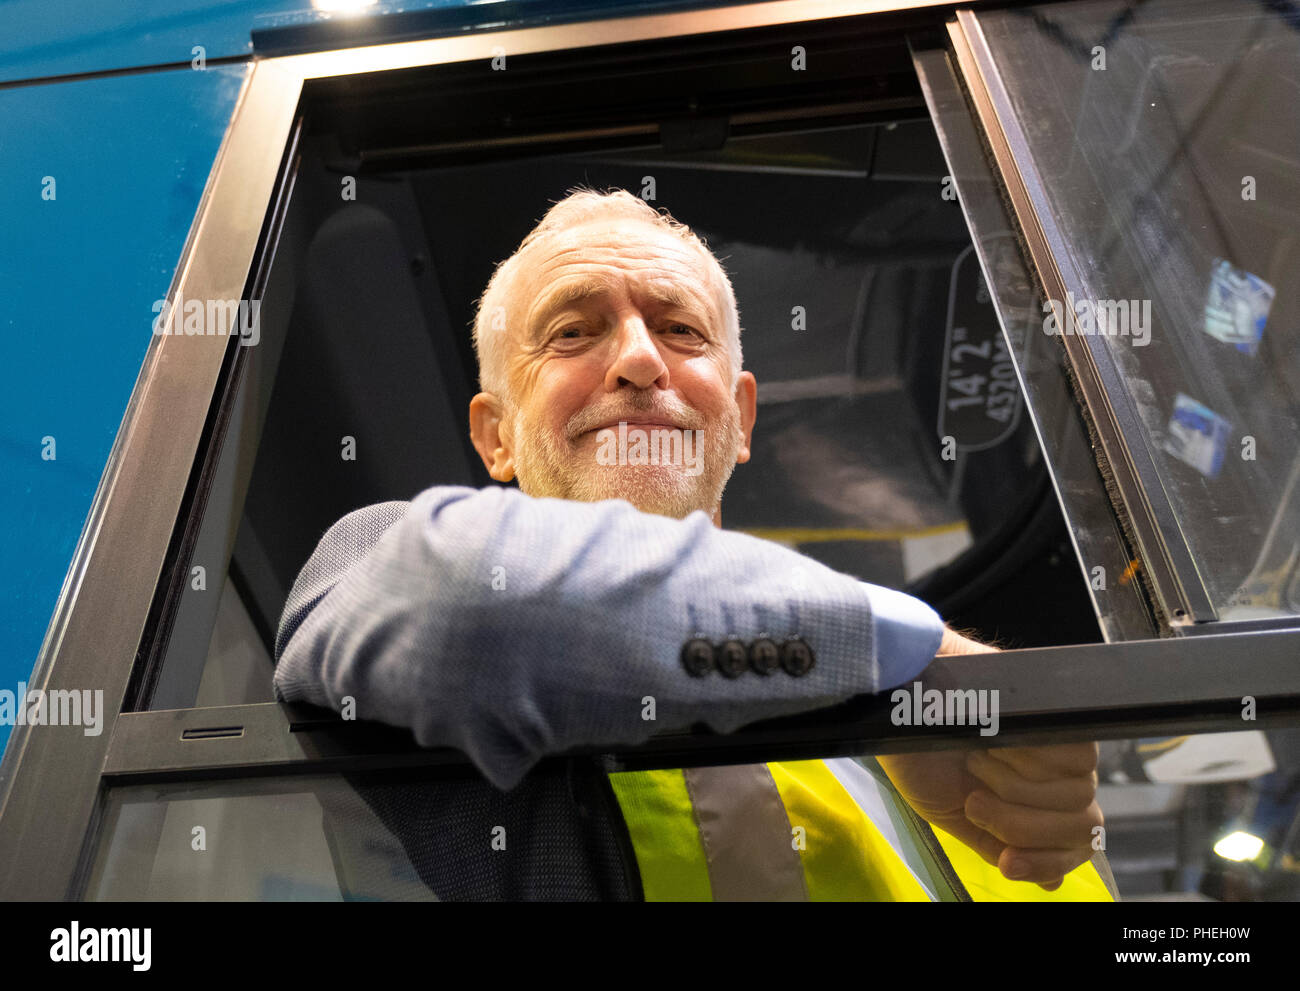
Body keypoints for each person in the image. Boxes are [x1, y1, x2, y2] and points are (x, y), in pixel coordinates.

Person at [274, 187, 1113, 901]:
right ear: (495, 437)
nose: (640, 361)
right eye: (572, 332)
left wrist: (1031, 800)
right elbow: (457, 596)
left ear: (740, 418)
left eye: (681, 330)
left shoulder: (954, 760)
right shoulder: (379, 560)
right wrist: (913, 662)